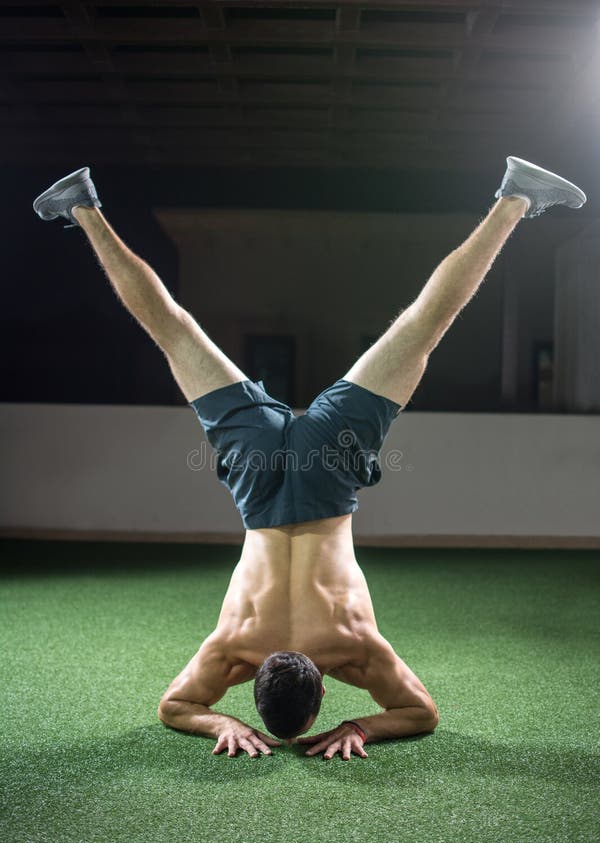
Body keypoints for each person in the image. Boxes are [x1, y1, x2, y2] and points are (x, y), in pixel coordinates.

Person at [33, 157, 586, 760]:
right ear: (252, 681)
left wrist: (360, 727)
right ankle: (83, 206)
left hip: (328, 473)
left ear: (322, 688)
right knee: (173, 329)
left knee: (426, 325)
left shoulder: (355, 647)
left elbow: (420, 713)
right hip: (259, 482)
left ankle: (515, 198)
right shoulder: (233, 647)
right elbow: (176, 708)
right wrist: (218, 722)